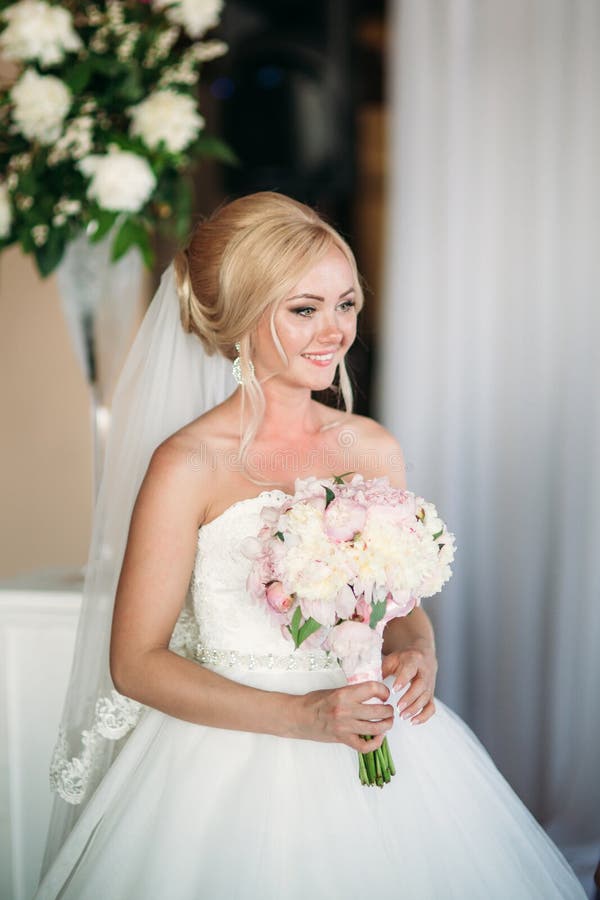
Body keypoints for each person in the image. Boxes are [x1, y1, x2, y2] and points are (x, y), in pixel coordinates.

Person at [35, 192, 585, 899]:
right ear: (239, 317)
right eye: (304, 309)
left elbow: (396, 602)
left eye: (346, 304)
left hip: (378, 739)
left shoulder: (369, 446)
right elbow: (136, 665)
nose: (335, 330)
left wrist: (419, 645)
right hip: (226, 762)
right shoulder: (188, 465)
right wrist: (303, 716)